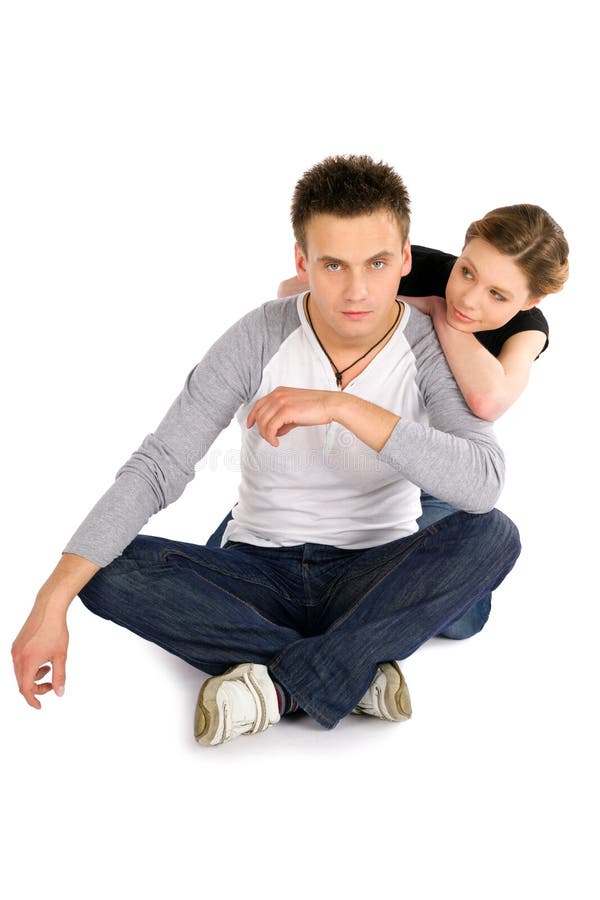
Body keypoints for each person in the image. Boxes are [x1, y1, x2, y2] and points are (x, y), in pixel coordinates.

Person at [12, 154, 521, 746]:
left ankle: (277, 685)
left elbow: (482, 482)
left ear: (405, 260)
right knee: (102, 569)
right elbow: (160, 465)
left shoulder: (430, 346)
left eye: (378, 263)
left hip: (372, 570)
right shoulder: (258, 335)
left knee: (494, 535)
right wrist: (50, 600)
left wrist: (342, 407)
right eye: (333, 264)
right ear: (303, 262)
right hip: (261, 568)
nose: (357, 290)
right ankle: (351, 666)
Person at [205, 204, 569, 639]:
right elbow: (292, 294)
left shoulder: (528, 328)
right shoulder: (420, 266)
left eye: (498, 295)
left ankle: (343, 612)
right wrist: (417, 301)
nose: (469, 299)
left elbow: (489, 399)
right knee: (221, 586)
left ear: (530, 301)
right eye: (467, 272)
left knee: (462, 617)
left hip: (427, 479)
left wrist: (439, 316)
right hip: (330, 462)